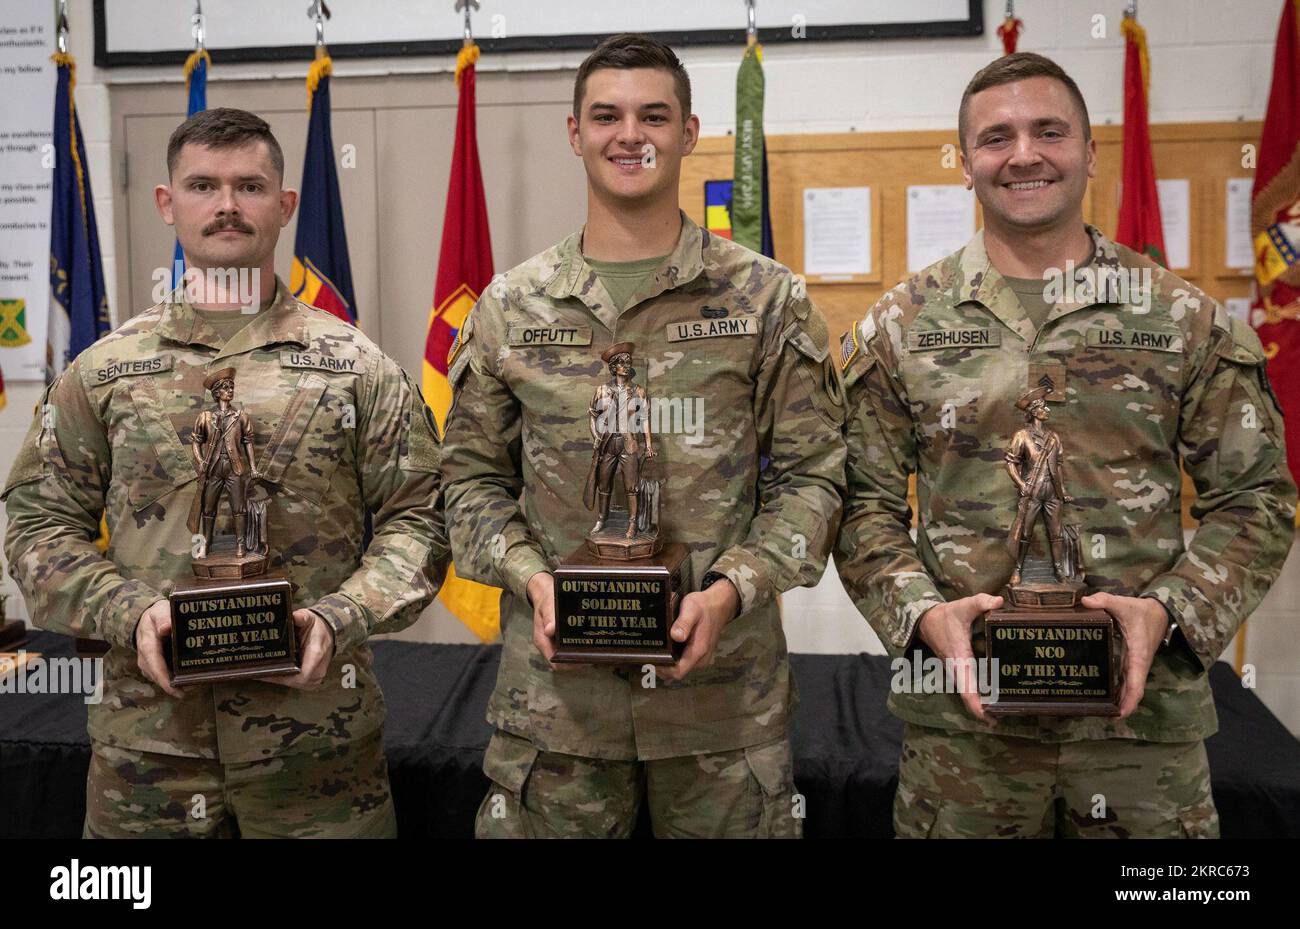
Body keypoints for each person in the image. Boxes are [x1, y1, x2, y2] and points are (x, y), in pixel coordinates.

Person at [836, 53, 1295, 838]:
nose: (1023, 154)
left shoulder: (1178, 318)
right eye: (996, 137)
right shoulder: (901, 325)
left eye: (1049, 131)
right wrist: (922, 616)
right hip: (964, 728)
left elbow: (1256, 499)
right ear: (966, 162)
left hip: (1141, 730)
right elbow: (858, 506)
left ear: (1090, 152)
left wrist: (1171, 613)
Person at [440, 33, 846, 838]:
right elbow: (467, 484)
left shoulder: (767, 300)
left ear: (689, 132)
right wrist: (532, 578)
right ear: (575, 132)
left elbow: (815, 480)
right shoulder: (511, 307)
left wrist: (733, 588)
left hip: (722, 713)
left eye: (654, 115)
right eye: (607, 116)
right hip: (557, 717)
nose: (631, 135)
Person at [3, 107, 448, 838]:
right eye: (203, 185)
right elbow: (37, 525)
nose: (227, 205)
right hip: (150, 750)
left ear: (285, 205)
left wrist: (341, 618)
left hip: (316, 749)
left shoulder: (356, 366)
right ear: (166, 203)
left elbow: (422, 520)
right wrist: (130, 611)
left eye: (250, 185)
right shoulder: (105, 371)